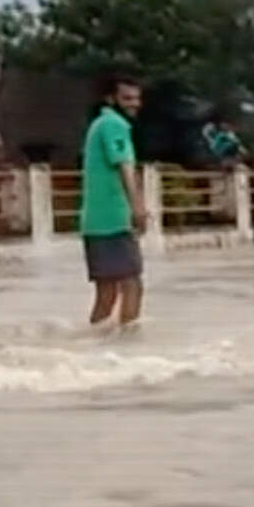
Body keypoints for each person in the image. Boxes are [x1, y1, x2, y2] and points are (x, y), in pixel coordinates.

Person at [80, 75, 149, 326]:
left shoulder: (99, 125)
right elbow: (125, 167)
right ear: (111, 99)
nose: (134, 104)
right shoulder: (114, 125)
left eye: (137, 98)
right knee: (132, 285)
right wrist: (138, 208)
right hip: (113, 220)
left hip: (95, 221)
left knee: (107, 293)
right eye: (127, 98)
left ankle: (96, 345)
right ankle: (127, 345)